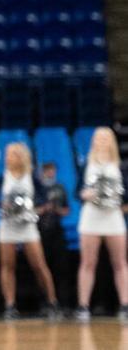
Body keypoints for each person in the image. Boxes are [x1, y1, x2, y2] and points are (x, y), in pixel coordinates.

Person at [0, 142, 60, 318]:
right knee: (7, 266)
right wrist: (2, 206)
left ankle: (52, 301)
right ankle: (10, 305)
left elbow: (44, 199)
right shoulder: (3, 177)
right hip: (8, 226)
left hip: (27, 226)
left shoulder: (32, 177)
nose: (8, 158)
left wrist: (34, 209)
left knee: (39, 265)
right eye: (7, 154)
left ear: (21, 156)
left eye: (12, 154)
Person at [76, 127, 128, 321]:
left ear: (112, 141)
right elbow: (77, 191)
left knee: (120, 263)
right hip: (91, 216)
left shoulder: (120, 166)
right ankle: (83, 306)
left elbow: (125, 194)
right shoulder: (85, 165)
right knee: (88, 263)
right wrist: (84, 194)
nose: (102, 141)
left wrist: (121, 204)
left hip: (113, 217)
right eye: (98, 138)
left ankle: (124, 304)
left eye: (106, 138)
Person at [37, 161, 71, 304]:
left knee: (60, 267)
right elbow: (33, 210)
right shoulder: (37, 188)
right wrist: (43, 209)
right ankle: (44, 300)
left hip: (57, 230)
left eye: (52, 170)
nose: (50, 173)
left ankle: (62, 300)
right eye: (47, 170)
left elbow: (67, 210)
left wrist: (57, 210)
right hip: (40, 231)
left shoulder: (60, 188)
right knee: (41, 266)